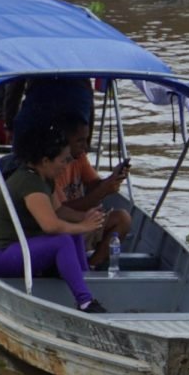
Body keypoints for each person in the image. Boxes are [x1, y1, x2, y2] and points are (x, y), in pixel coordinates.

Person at [0, 122, 108, 313]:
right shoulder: (29, 182)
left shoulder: (44, 178)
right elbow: (51, 226)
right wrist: (84, 226)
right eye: (63, 161)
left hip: (22, 250)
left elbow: (60, 212)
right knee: (62, 239)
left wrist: (85, 218)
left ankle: (83, 279)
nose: (66, 166)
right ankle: (85, 302)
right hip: (0, 256)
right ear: (46, 161)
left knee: (71, 232)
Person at [53, 112, 132, 270]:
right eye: (80, 141)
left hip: (84, 221)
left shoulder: (79, 157)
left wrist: (112, 179)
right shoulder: (53, 166)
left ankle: (91, 266)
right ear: (65, 140)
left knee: (123, 218)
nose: (85, 146)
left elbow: (94, 184)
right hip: (61, 226)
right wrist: (103, 190)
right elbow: (61, 210)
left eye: (87, 140)